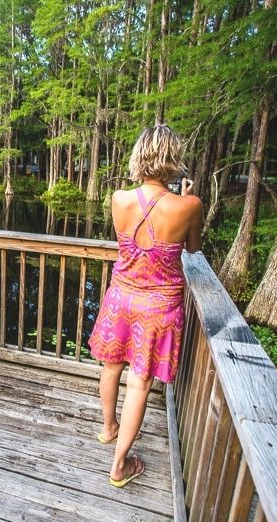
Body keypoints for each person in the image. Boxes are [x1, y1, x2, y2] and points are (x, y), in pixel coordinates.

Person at [88, 125, 202, 487]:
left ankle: (108, 429)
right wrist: (186, 198)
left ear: (140, 155)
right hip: (159, 306)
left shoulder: (119, 198)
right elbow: (193, 249)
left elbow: (128, 244)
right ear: (172, 159)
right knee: (139, 384)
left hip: (121, 297)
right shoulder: (189, 206)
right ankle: (120, 466)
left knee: (111, 366)